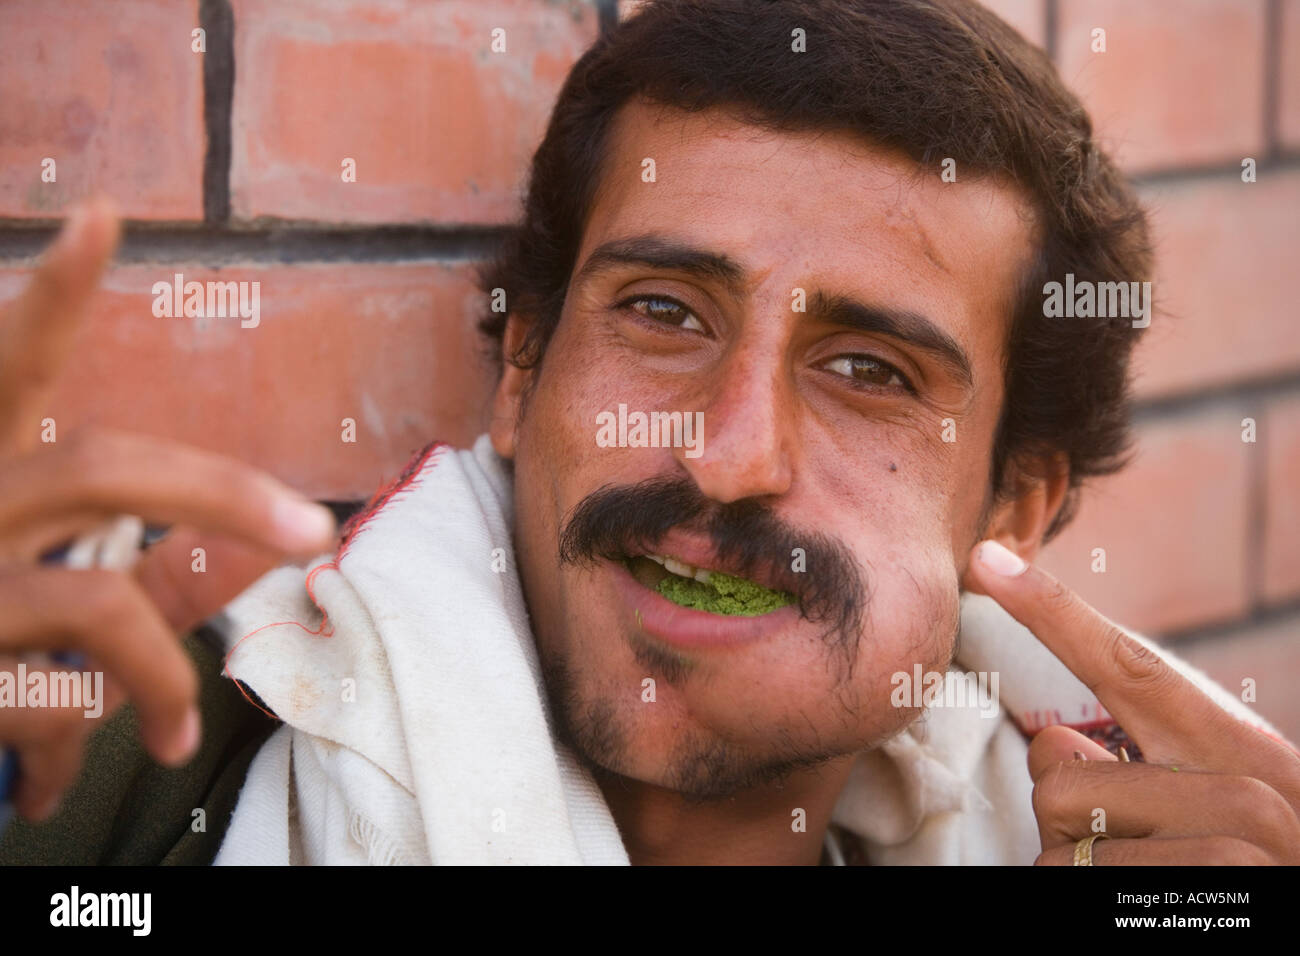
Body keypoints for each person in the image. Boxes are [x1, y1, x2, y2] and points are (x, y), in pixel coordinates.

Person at [2, 0, 1297, 866]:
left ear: (1012, 509)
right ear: (523, 371)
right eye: (665, 313)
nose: (729, 455)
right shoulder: (137, 774)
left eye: (867, 370)